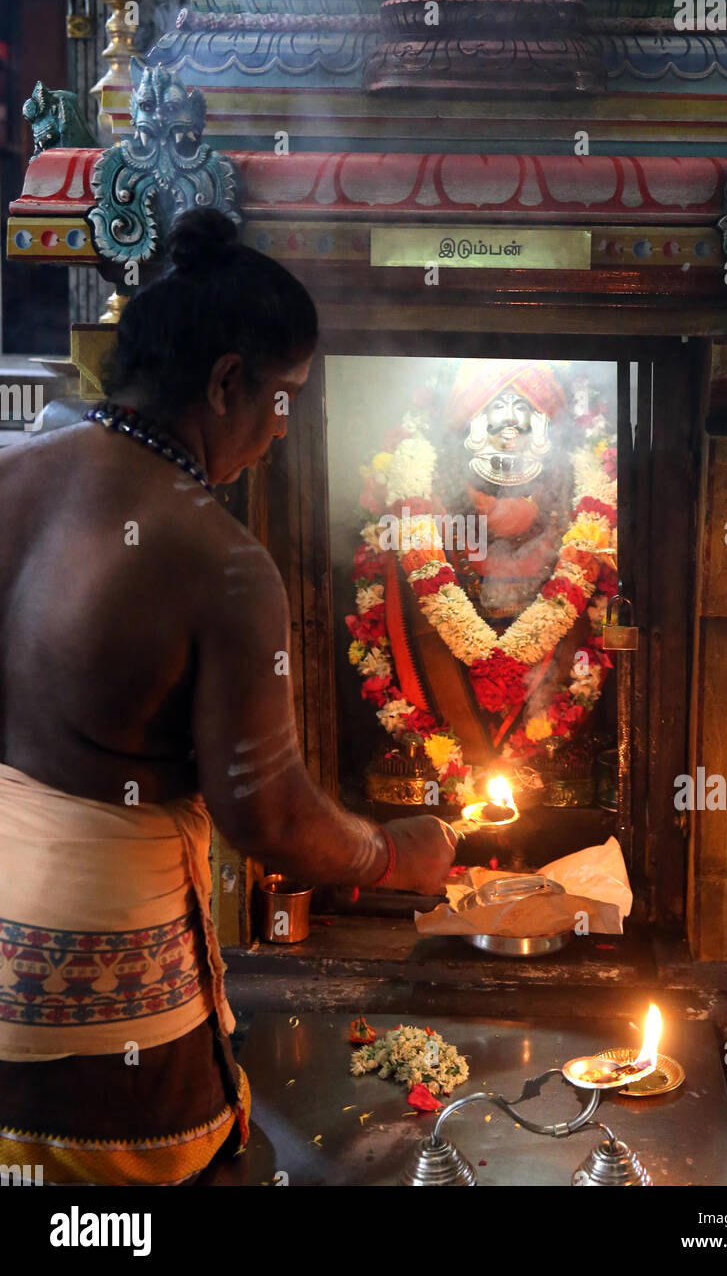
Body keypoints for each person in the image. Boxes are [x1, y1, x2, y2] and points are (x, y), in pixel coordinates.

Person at [0, 208, 457, 1185]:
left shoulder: (10, 474)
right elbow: (270, 813)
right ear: (223, 383)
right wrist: (392, 851)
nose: (282, 433)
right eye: (283, 398)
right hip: (113, 1038)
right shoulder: (221, 562)